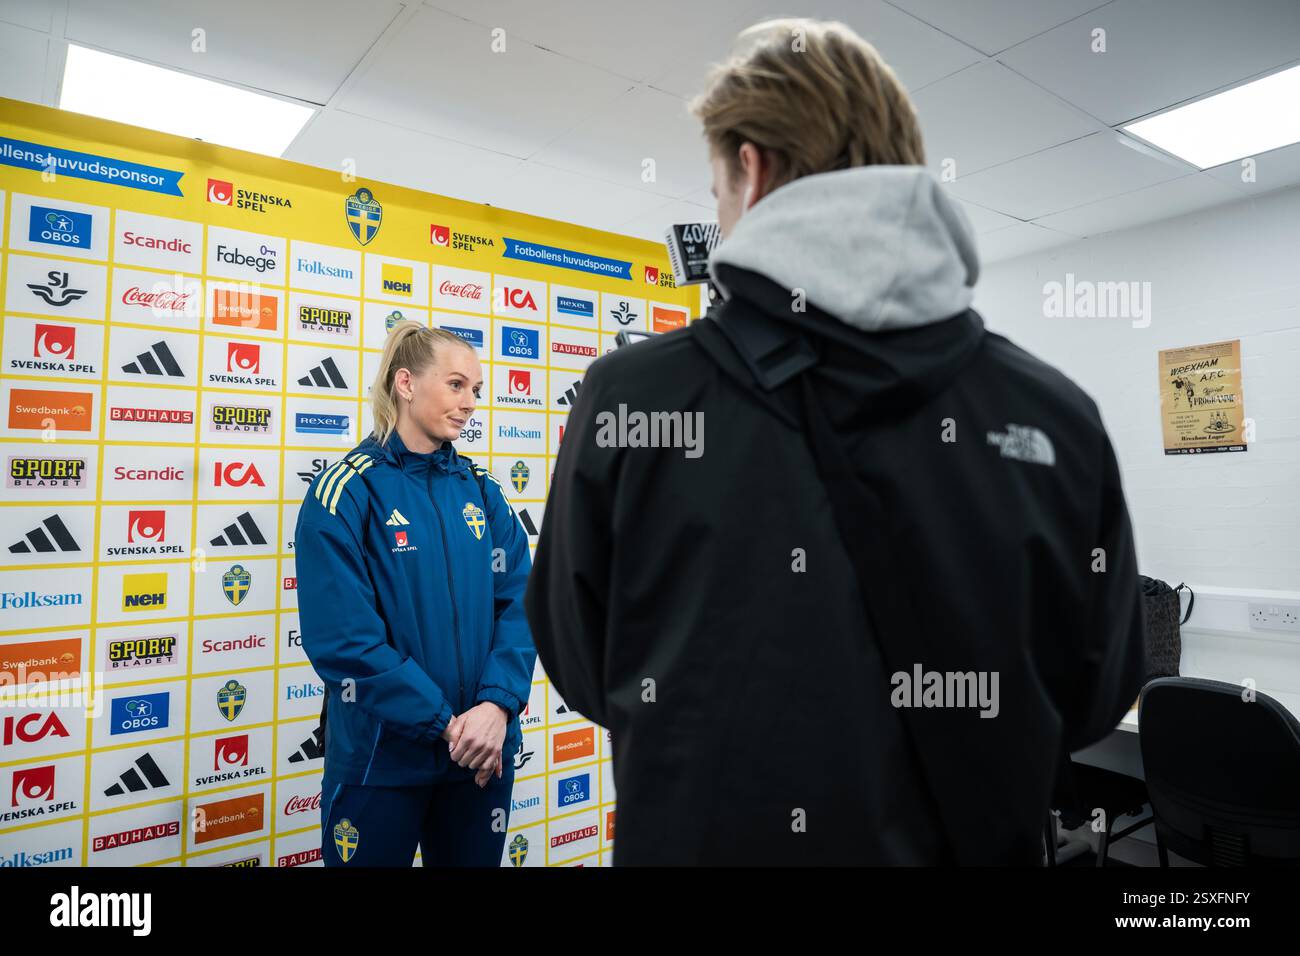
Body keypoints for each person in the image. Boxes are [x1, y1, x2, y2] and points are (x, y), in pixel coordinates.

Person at [525, 18, 1144, 865]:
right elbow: (1096, 694)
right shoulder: (1056, 415)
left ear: (751, 168)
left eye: (715, 194)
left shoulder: (632, 396)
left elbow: (583, 664)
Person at [296, 322, 535, 867]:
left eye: (476, 389)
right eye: (456, 385)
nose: (470, 402)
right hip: (381, 761)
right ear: (405, 383)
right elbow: (344, 640)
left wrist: (497, 706)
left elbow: (522, 604)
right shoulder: (346, 490)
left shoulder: (483, 489)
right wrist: (446, 725)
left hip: (480, 758)